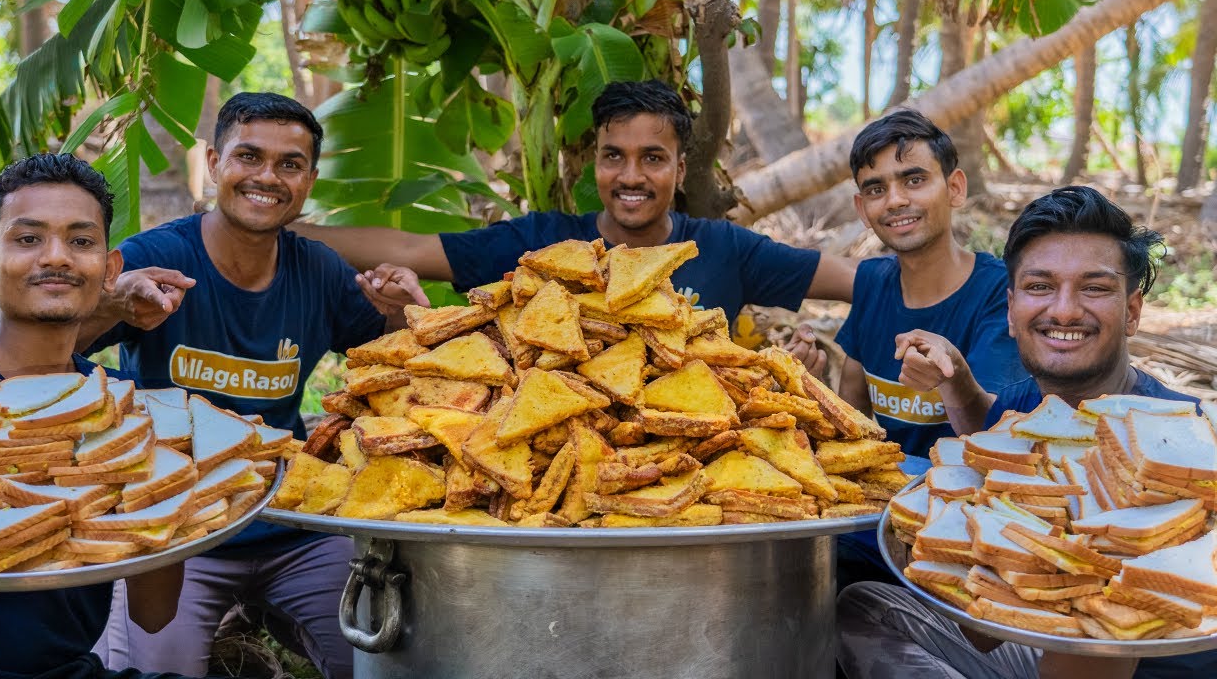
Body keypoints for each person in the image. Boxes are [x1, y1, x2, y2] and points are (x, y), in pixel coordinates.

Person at [80, 93, 400, 679]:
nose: (267, 177)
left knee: (386, 660)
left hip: (295, 528)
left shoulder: (319, 269)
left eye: (289, 164)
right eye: (248, 156)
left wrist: (402, 314)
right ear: (213, 162)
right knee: (154, 674)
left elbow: (391, 365)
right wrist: (111, 305)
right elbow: (55, 350)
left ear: (309, 180)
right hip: (174, 535)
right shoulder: (157, 256)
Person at [836, 187, 1214, 679]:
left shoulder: (1181, 448)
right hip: (1036, 650)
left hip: (1123, 662)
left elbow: (1067, 646)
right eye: (1040, 286)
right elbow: (992, 430)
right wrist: (959, 382)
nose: (1063, 310)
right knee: (863, 605)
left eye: (1095, 288)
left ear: (1133, 312)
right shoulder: (1025, 409)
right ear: (1011, 310)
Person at [294, 79, 854, 357]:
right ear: (596, 164)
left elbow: (859, 281)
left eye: (652, 159)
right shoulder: (542, 241)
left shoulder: (727, 249)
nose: (631, 176)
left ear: (680, 171)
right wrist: (281, 228)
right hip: (563, 483)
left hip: (695, 482)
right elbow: (410, 249)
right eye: (615, 157)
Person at [0, 153, 195, 679]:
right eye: (28, 239)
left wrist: (168, 488)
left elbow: (153, 614)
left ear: (110, 269)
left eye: (81, 242)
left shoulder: (122, 409)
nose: (57, 257)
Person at [797, 109, 1025, 587]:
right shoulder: (874, 283)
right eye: (877, 189)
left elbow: (996, 441)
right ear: (863, 209)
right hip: (880, 514)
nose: (895, 200)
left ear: (955, 188)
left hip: (969, 528)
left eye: (914, 179)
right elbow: (852, 424)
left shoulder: (998, 294)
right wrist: (808, 387)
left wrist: (951, 378)